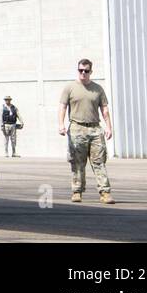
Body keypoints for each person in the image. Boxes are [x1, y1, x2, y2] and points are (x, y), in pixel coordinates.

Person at [58, 58, 114, 204]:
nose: (83, 73)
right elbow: (62, 107)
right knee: (77, 162)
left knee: (99, 162)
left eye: (86, 71)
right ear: (78, 70)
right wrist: (61, 124)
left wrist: (109, 127)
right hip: (77, 127)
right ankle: (77, 191)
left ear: (91, 72)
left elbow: (105, 109)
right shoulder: (69, 87)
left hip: (95, 128)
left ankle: (105, 192)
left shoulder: (98, 89)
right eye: (80, 70)